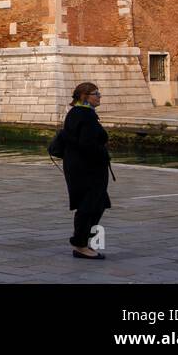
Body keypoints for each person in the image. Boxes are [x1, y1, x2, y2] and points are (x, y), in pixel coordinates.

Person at [61, 82, 112, 260]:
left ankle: (82, 242)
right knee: (89, 205)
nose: (99, 96)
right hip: (87, 169)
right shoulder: (84, 115)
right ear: (84, 96)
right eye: (96, 93)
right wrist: (102, 153)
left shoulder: (78, 113)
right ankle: (81, 245)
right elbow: (86, 144)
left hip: (82, 167)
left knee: (98, 203)